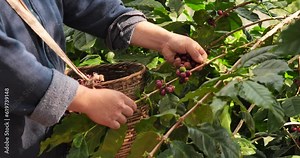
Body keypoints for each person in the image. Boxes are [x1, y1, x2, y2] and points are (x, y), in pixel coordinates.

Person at [0, 0, 207, 157]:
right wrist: (85, 98)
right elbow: (7, 65)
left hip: (48, 132)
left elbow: (92, 6)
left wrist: (165, 40)